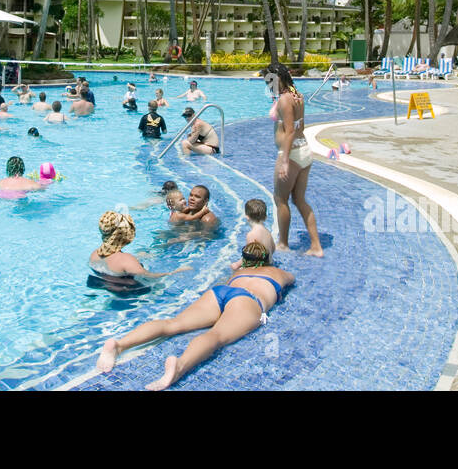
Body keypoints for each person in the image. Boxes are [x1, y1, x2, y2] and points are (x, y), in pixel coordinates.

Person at [95, 241, 294, 390]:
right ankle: (180, 365)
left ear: (244, 259)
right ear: (266, 258)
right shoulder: (277, 272)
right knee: (216, 336)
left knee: (173, 323)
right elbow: (290, 280)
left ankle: (118, 345)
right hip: (248, 301)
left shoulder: (237, 273)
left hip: (220, 292)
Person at [262, 62, 323, 257]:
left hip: (292, 155)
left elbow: (289, 131)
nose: (267, 85)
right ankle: (316, 246)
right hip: (304, 150)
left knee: (280, 199)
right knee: (299, 200)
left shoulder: (285, 100)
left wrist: (285, 160)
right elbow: (300, 127)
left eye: (269, 81)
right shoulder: (297, 96)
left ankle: (283, 243)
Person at [88, 211, 189, 291]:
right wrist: (175, 272)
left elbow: (111, 264)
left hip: (106, 286)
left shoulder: (94, 254)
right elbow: (151, 277)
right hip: (126, 294)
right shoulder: (126, 260)